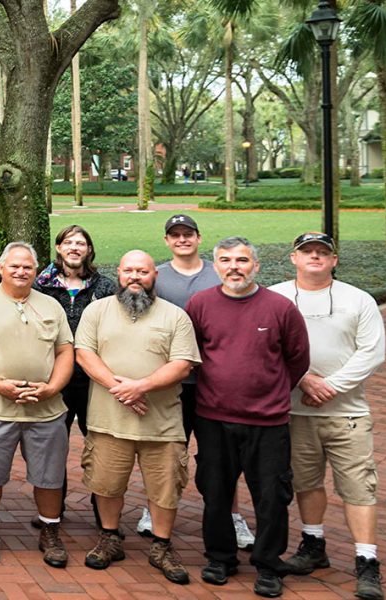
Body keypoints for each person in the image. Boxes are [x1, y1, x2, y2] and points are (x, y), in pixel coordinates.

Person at [186, 236, 313, 597]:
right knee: (215, 492)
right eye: (225, 260)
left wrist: (268, 392)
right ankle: (220, 557)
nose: (234, 267)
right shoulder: (201, 304)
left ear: (256, 266)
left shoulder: (279, 308)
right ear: (215, 267)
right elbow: (191, 352)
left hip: (268, 422)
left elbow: (297, 359)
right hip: (212, 417)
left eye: (242, 260)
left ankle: (269, 564)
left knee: (271, 497)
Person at [271, 233, 386, 600]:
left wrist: (330, 386)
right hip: (294, 410)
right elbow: (268, 348)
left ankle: (366, 561)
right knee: (306, 481)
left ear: (334, 260)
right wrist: (305, 380)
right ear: (294, 258)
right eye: (308, 252)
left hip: (347, 412)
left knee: (358, 487)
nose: (315, 257)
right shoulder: (275, 297)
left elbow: (372, 352)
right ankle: (313, 544)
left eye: (323, 252)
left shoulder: (359, 300)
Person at [73, 251, 200, 583]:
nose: (134, 276)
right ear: (118, 272)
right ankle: (110, 538)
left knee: (165, 487)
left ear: (153, 275)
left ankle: (161, 546)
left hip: (162, 423)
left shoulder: (175, 317)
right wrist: (121, 389)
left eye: (141, 271)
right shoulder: (96, 311)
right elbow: (84, 354)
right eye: (128, 270)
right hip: (108, 420)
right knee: (106, 482)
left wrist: (141, 386)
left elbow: (183, 363)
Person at [0, 242, 75, 568]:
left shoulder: (51, 305)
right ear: (1, 267)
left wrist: (52, 388)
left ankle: (50, 532)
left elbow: (66, 351)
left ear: (36, 270)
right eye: (14, 266)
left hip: (46, 409)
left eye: (27, 267)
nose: (21, 271)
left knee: (50, 474)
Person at [141, 213, 239, 542]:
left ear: (199, 238)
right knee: (164, 450)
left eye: (188, 234)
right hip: (169, 382)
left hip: (214, 381)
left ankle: (231, 515)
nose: (182, 239)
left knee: (221, 454)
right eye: (175, 235)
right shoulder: (157, 275)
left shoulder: (219, 273)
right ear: (167, 241)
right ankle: (151, 508)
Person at [32, 225, 117, 529]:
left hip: (94, 379)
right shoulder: (41, 285)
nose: (75, 247)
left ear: (89, 250)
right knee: (54, 444)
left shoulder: (104, 287)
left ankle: (102, 509)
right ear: (59, 248)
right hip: (56, 376)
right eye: (69, 242)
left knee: (100, 445)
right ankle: (53, 509)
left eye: (81, 243)